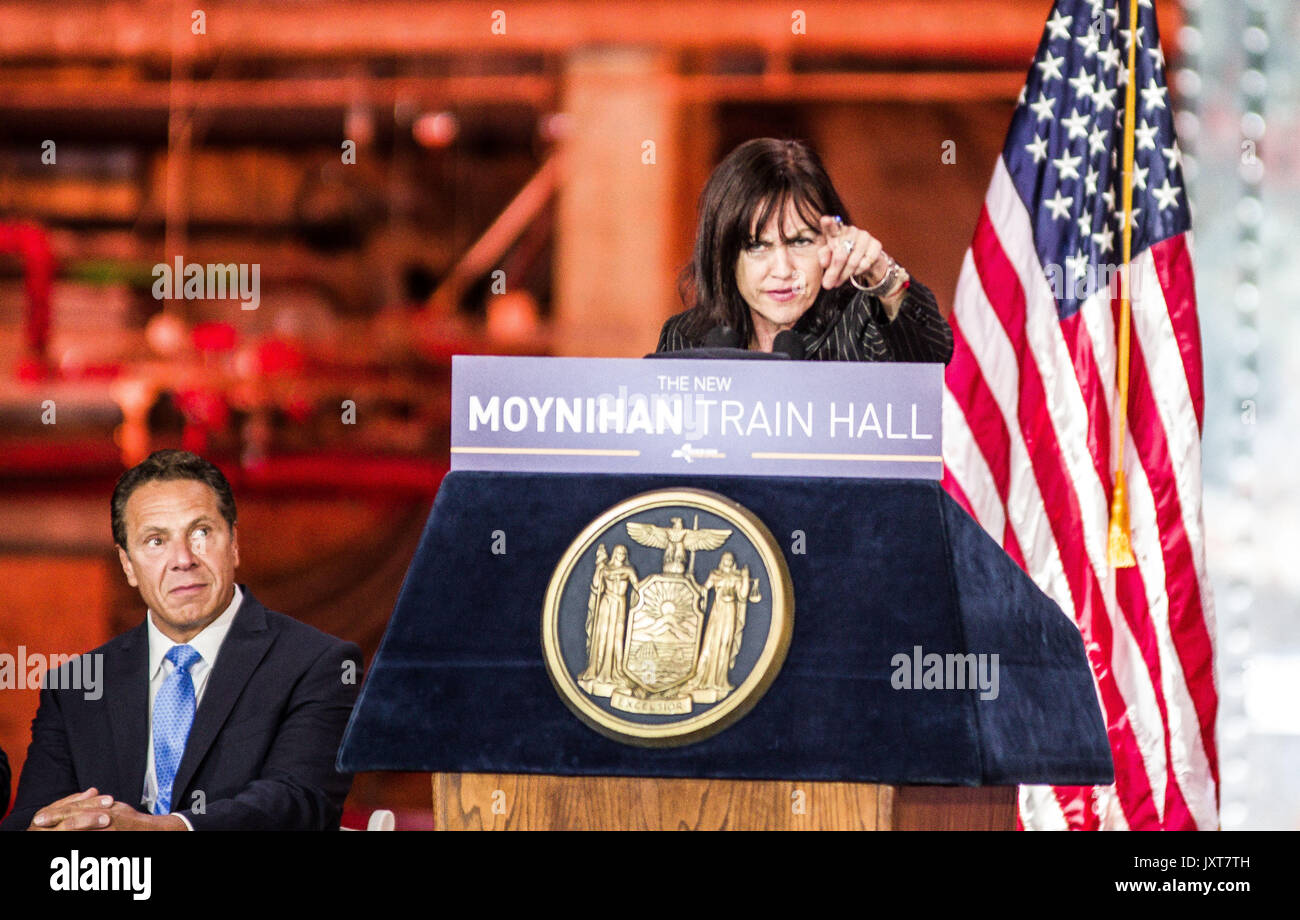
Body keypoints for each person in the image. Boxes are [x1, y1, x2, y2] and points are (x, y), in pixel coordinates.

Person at [1, 450, 362, 831]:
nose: (183, 559)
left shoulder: (319, 664)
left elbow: (299, 803)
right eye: (156, 541)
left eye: (201, 532)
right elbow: (32, 818)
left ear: (234, 543)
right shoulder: (74, 686)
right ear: (128, 565)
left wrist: (164, 830)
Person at [656, 137, 953, 363]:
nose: (784, 270)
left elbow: (934, 355)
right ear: (724, 256)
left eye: (801, 242)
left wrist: (883, 275)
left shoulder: (863, 324)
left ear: (830, 242)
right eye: (758, 246)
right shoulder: (687, 339)